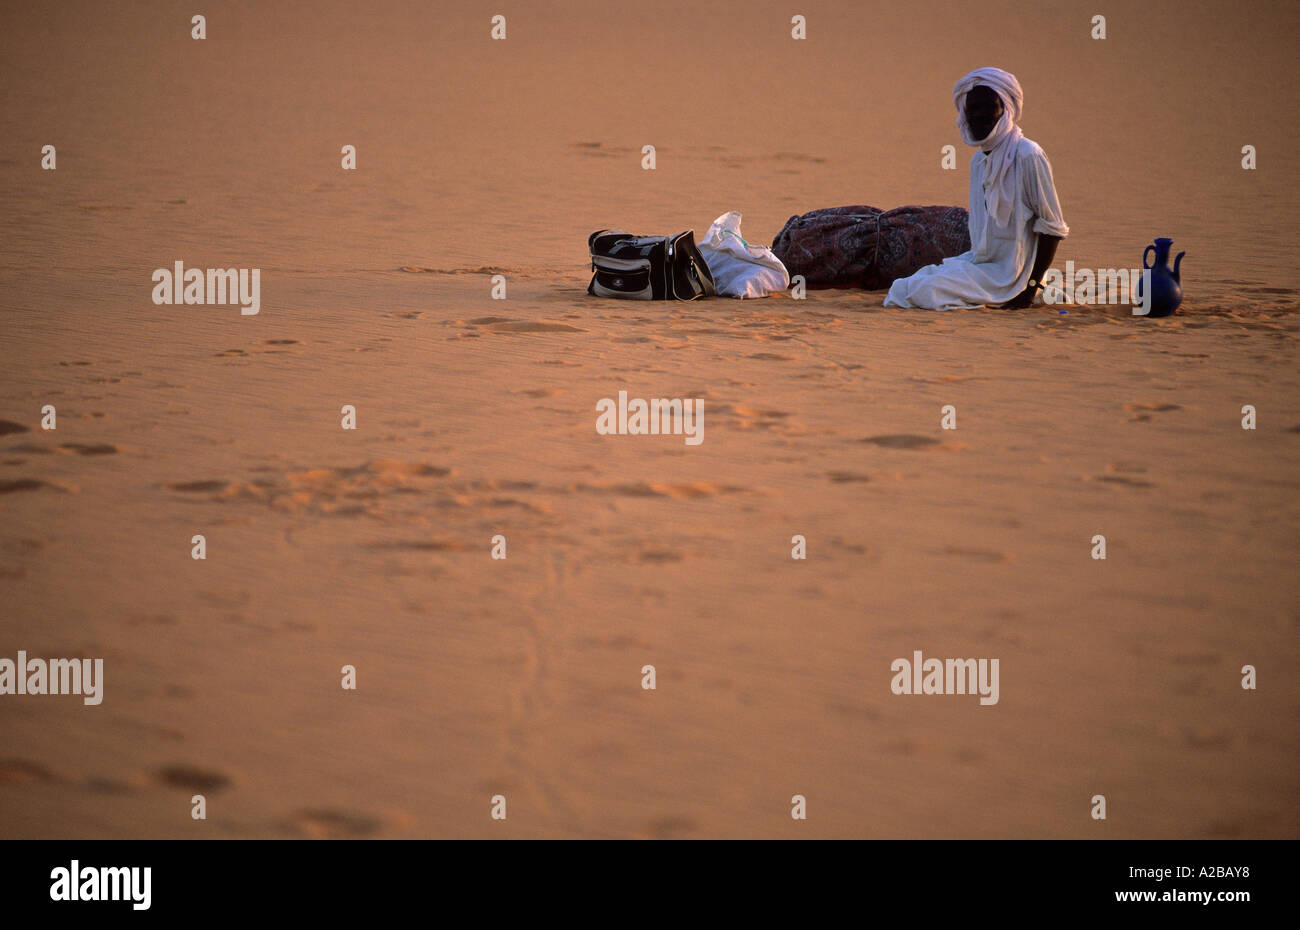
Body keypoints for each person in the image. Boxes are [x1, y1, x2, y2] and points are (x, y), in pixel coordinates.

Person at [884, 67, 1068, 310]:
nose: (979, 115)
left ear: (1006, 109)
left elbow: (1052, 227)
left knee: (924, 291)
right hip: (982, 266)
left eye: (988, 107)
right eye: (973, 108)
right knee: (902, 287)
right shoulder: (979, 161)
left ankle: (1031, 288)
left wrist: (1030, 289)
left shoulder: (1028, 155)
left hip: (1014, 275)